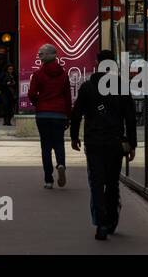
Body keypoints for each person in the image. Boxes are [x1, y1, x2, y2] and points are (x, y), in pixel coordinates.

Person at [71, 49, 137, 240]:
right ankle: (111, 220)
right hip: (115, 142)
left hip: (94, 142)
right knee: (112, 181)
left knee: (97, 182)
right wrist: (132, 143)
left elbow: (77, 114)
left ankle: (100, 223)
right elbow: (130, 118)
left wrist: (74, 137)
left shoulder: (87, 87)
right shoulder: (122, 87)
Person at [28, 44, 73, 188]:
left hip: (43, 114)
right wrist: (68, 115)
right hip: (59, 113)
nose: (39, 56)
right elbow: (67, 97)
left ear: (49, 55)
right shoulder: (63, 74)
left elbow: (31, 94)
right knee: (59, 143)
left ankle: (48, 180)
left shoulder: (38, 74)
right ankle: (61, 164)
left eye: (41, 54)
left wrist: (39, 103)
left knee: (45, 146)